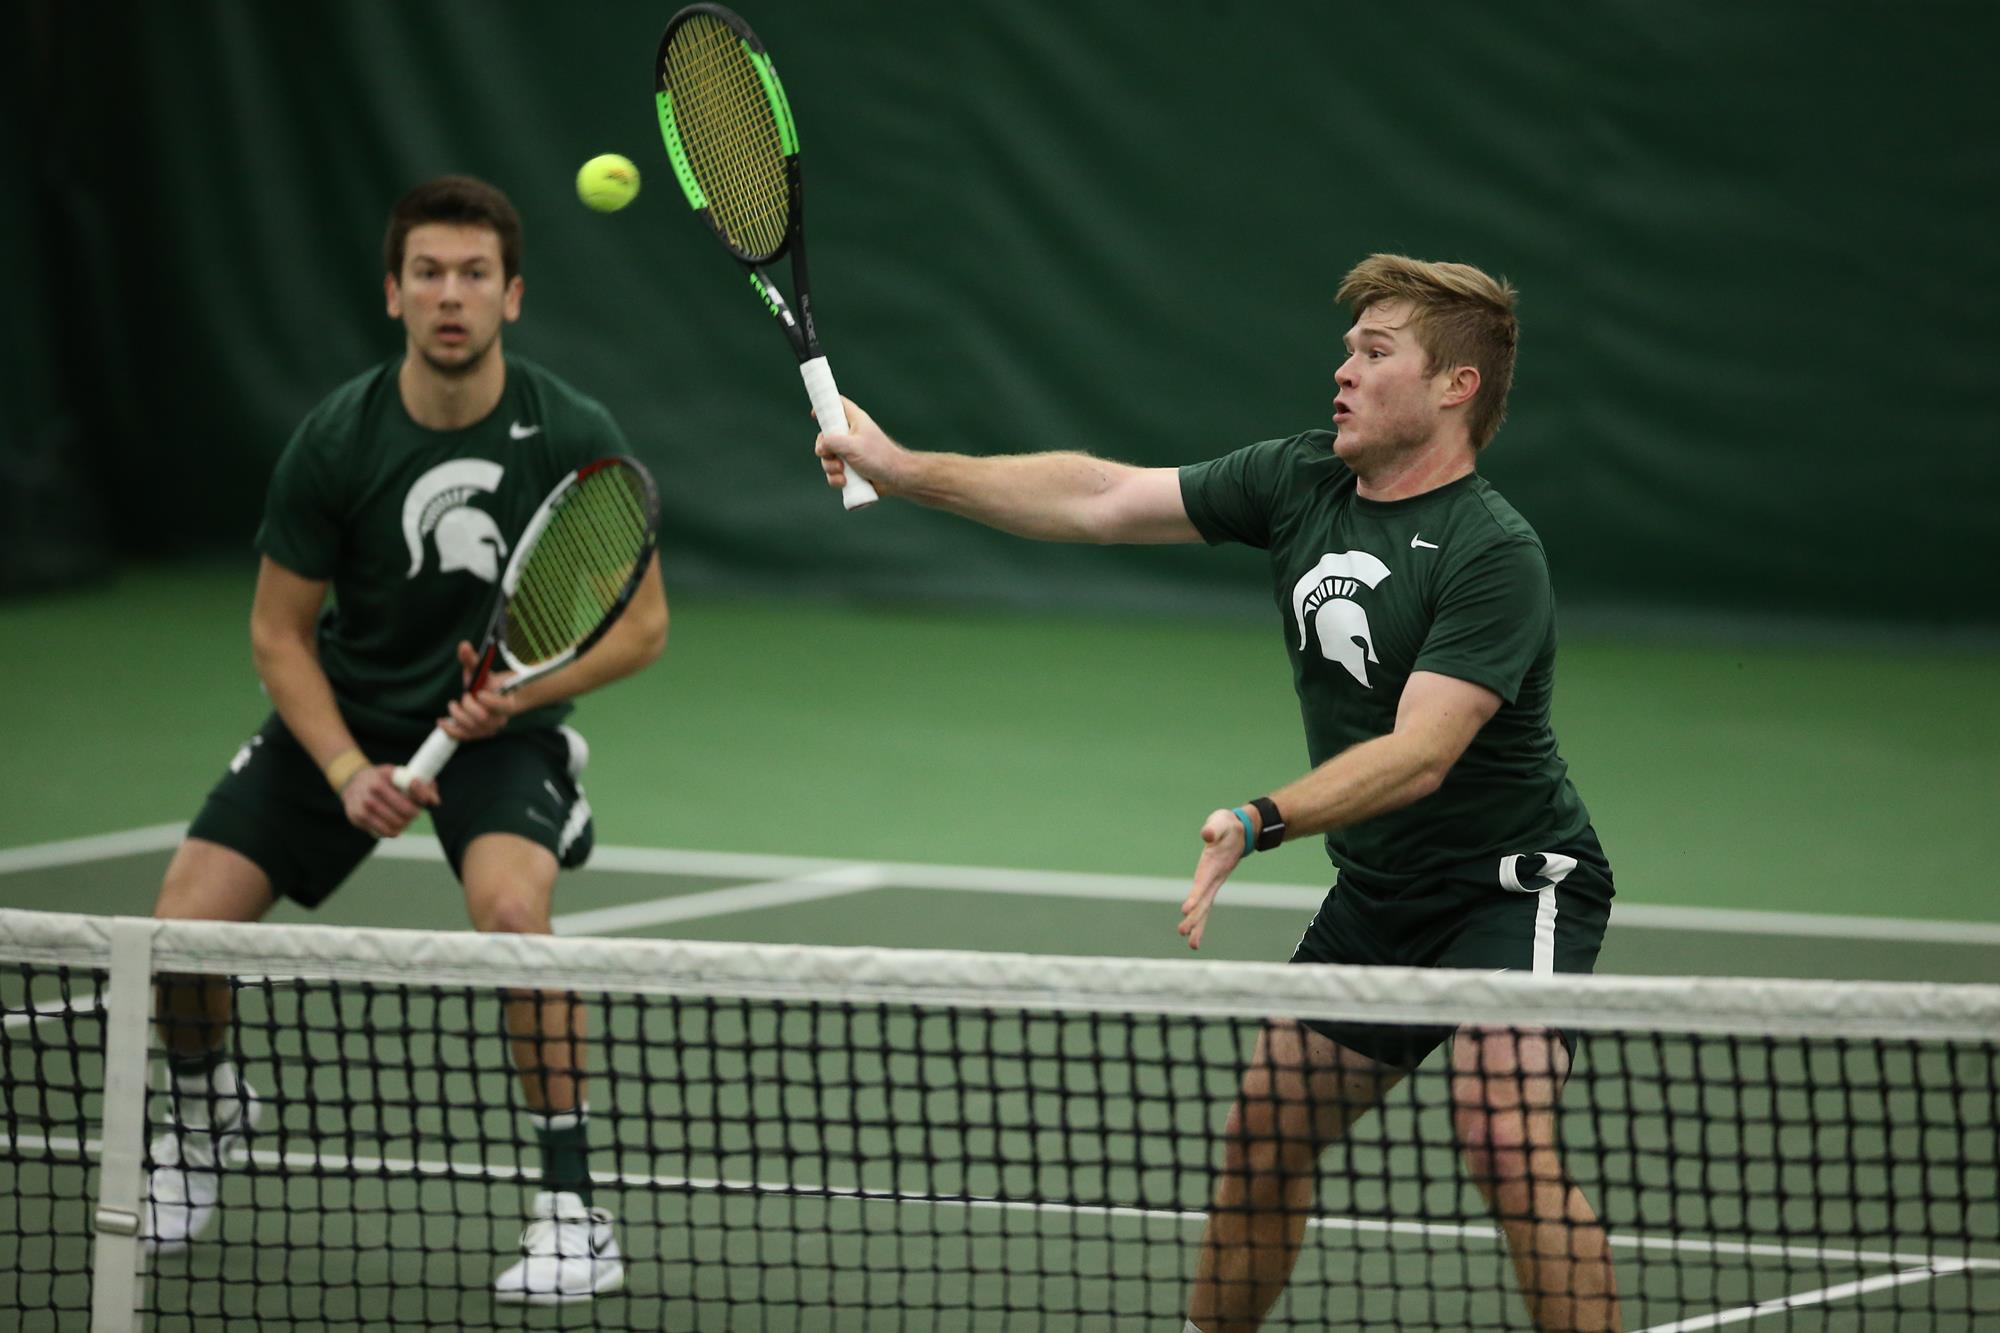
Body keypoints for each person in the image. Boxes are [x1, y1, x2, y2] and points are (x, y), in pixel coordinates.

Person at [814, 254, 1622, 1331]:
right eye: (1346, 348)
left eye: (1373, 353)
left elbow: (1422, 752)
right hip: (1381, 891)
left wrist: (1261, 817)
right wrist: (904, 467)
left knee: (1501, 1140)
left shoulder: (1490, 551)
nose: (1340, 370)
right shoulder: (1299, 480)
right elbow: (1100, 497)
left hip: (1513, 886)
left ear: (1452, 388)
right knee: (1262, 1139)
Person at [142, 175, 667, 1306]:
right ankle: (199, 1119)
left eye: (474, 275)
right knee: (179, 928)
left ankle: (573, 1207)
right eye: (427, 272)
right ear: (393, 293)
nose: (450, 295)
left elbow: (643, 628)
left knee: (515, 920)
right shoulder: (338, 438)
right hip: (349, 713)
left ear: (511, 298)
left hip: (496, 733)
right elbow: (278, 634)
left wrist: (518, 700)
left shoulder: (569, 431)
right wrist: (342, 767)